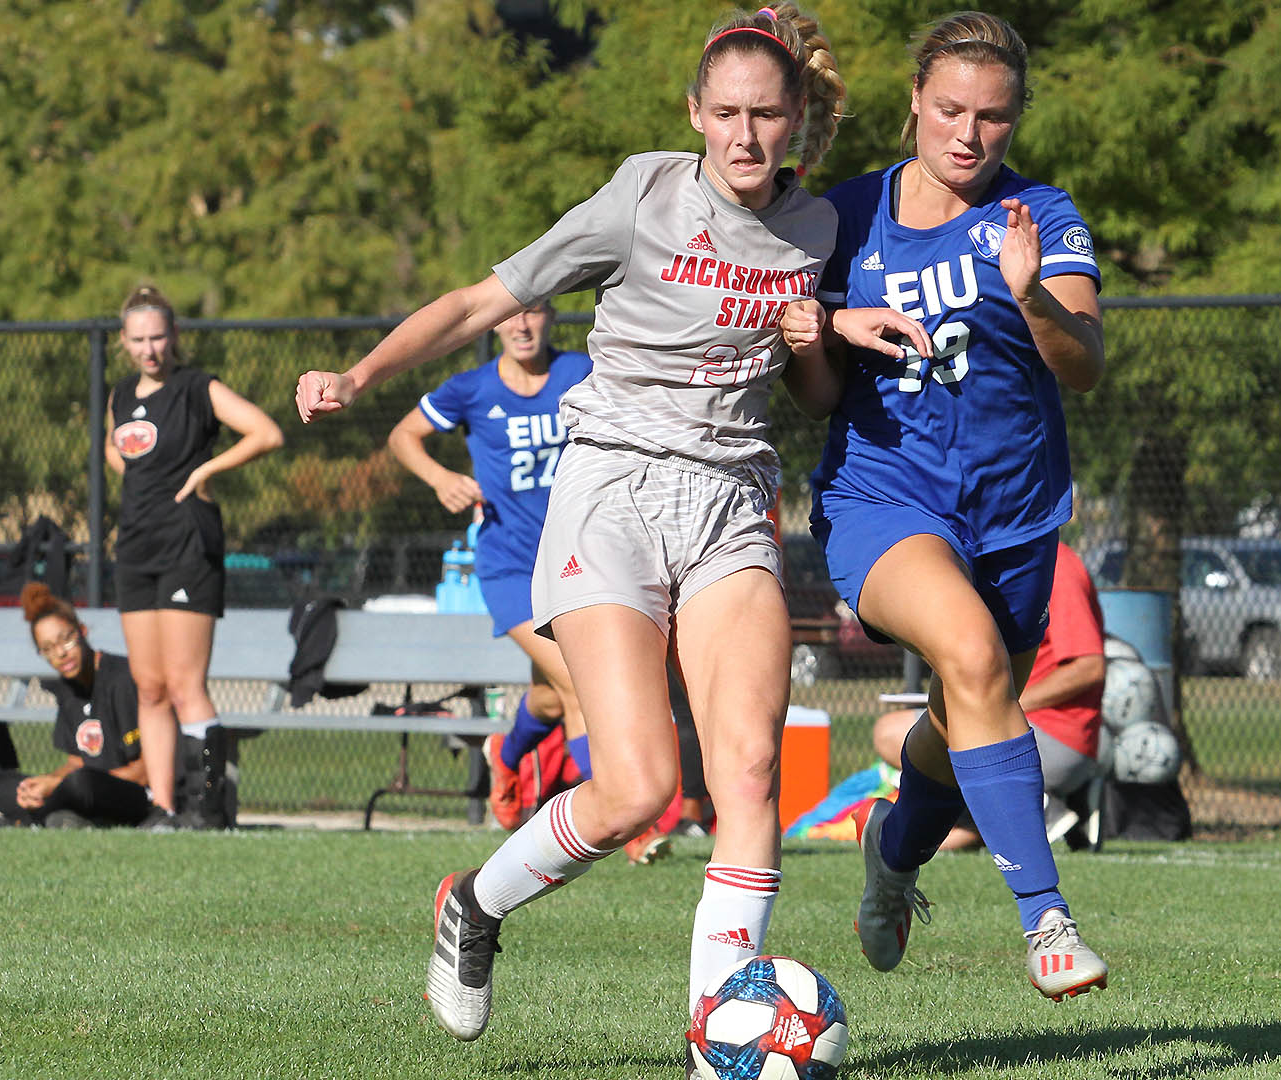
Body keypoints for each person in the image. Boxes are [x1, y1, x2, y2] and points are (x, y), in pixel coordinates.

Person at [293, 2, 927, 1043]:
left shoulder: (817, 229)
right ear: (693, 112)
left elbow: (813, 395)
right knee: (638, 788)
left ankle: (715, 1037)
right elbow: (476, 302)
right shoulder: (641, 195)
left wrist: (821, 335)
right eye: (724, 111)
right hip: (615, 493)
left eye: (765, 114)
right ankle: (474, 904)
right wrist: (362, 374)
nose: (743, 135)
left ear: (797, 117)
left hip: (731, 502)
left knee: (751, 771)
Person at [782, 10, 1110, 1000]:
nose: (969, 135)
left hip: (1013, 513)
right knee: (971, 662)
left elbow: (1084, 367)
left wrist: (1032, 299)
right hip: (882, 496)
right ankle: (1048, 923)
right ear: (916, 103)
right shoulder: (846, 216)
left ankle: (892, 851)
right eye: (951, 110)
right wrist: (814, 337)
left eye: (994, 117)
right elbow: (819, 396)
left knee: (963, 713)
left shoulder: (1041, 217)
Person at [384, 300, 676, 854]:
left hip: (580, 558)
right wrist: (441, 478)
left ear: (549, 318)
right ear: (493, 322)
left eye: (534, 312)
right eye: (509, 315)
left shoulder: (578, 372)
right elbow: (403, 436)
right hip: (509, 568)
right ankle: (625, 826)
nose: (521, 325)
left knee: (549, 694)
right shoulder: (470, 389)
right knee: (575, 683)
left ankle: (508, 752)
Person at [107, 284, 283, 829]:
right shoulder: (118, 395)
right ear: (123, 341)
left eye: (158, 336)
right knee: (150, 686)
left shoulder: (196, 387)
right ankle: (161, 807)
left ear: (174, 335)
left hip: (189, 545)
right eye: (138, 339)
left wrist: (205, 471)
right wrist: (142, 484)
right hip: (136, 548)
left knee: (185, 685)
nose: (149, 349)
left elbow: (266, 432)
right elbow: (117, 453)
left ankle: (208, 809)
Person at [869, 539, 1104, 851]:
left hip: (1056, 737)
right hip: (1006, 719)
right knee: (926, 845)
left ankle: (1040, 806)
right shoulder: (986, 556)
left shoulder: (1056, 563)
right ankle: (1005, 817)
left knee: (891, 732)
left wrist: (1007, 701)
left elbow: (1089, 666)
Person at [0, 583, 153, 828]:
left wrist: (58, 786)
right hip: (79, 790)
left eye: (65, 640)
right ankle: (51, 815)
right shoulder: (67, 688)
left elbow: (144, 772)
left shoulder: (121, 679)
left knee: (81, 785)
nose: (60, 654)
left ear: (82, 631)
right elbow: (77, 761)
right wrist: (44, 783)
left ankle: (24, 821)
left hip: (131, 794)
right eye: (48, 649)